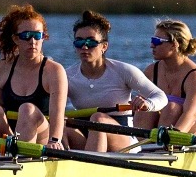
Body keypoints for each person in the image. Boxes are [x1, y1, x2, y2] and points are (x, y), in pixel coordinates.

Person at [61, 10, 169, 153]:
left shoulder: (123, 71)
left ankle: (93, 167)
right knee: (60, 123)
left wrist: (147, 104)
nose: (84, 47)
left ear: (104, 46)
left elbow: (161, 97)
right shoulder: (67, 76)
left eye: (91, 42)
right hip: (86, 135)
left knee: (98, 119)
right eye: (79, 42)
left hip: (123, 138)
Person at [0, 4, 68, 148]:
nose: (32, 42)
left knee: (27, 109)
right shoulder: (2, 67)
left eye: (37, 35)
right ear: (15, 39)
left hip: (43, 137)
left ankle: (22, 160)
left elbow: (58, 113)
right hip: (11, 134)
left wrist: (55, 140)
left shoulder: (54, 71)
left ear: (43, 37)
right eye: (26, 36)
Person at [143, 18, 196, 140]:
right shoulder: (151, 71)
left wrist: (172, 138)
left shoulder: (195, 77)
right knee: (144, 107)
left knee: (172, 108)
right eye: (152, 40)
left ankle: (158, 149)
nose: (151, 45)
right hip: (160, 134)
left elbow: (191, 115)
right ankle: (139, 148)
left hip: (194, 136)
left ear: (174, 45)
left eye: (157, 41)